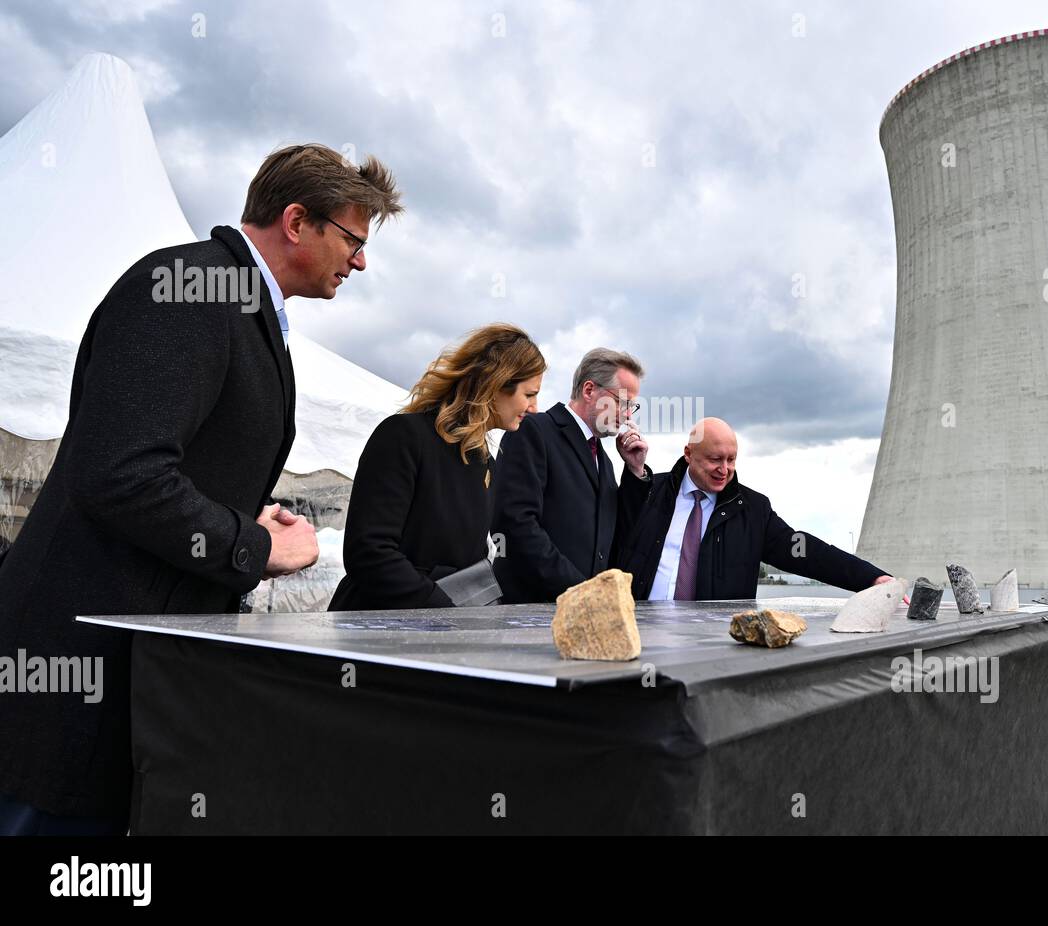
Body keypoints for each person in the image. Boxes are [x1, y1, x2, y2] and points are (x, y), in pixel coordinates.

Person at [0, 143, 402, 835]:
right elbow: (120, 473)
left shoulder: (236, 305)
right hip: (69, 678)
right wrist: (256, 546)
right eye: (354, 240)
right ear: (298, 221)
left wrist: (246, 515)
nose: (360, 262)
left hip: (128, 675)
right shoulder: (188, 287)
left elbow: (170, 468)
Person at [330, 324, 545, 611]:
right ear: (495, 385)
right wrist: (444, 612)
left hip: (444, 634)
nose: (534, 407)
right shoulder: (403, 436)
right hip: (377, 629)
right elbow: (370, 553)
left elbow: (468, 565)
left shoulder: (484, 462)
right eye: (529, 394)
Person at [615, 417, 893, 600]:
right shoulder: (651, 491)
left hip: (713, 649)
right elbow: (616, 532)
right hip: (642, 637)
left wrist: (870, 578)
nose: (724, 470)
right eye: (715, 459)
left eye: (731, 459)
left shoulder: (752, 510)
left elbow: (805, 551)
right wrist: (634, 471)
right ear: (688, 454)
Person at [491, 348, 652, 603]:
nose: (629, 414)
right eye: (622, 402)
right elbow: (514, 524)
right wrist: (579, 591)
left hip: (581, 615)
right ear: (589, 391)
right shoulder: (533, 430)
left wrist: (634, 471)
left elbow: (617, 536)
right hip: (529, 613)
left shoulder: (605, 462)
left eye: (633, 406)